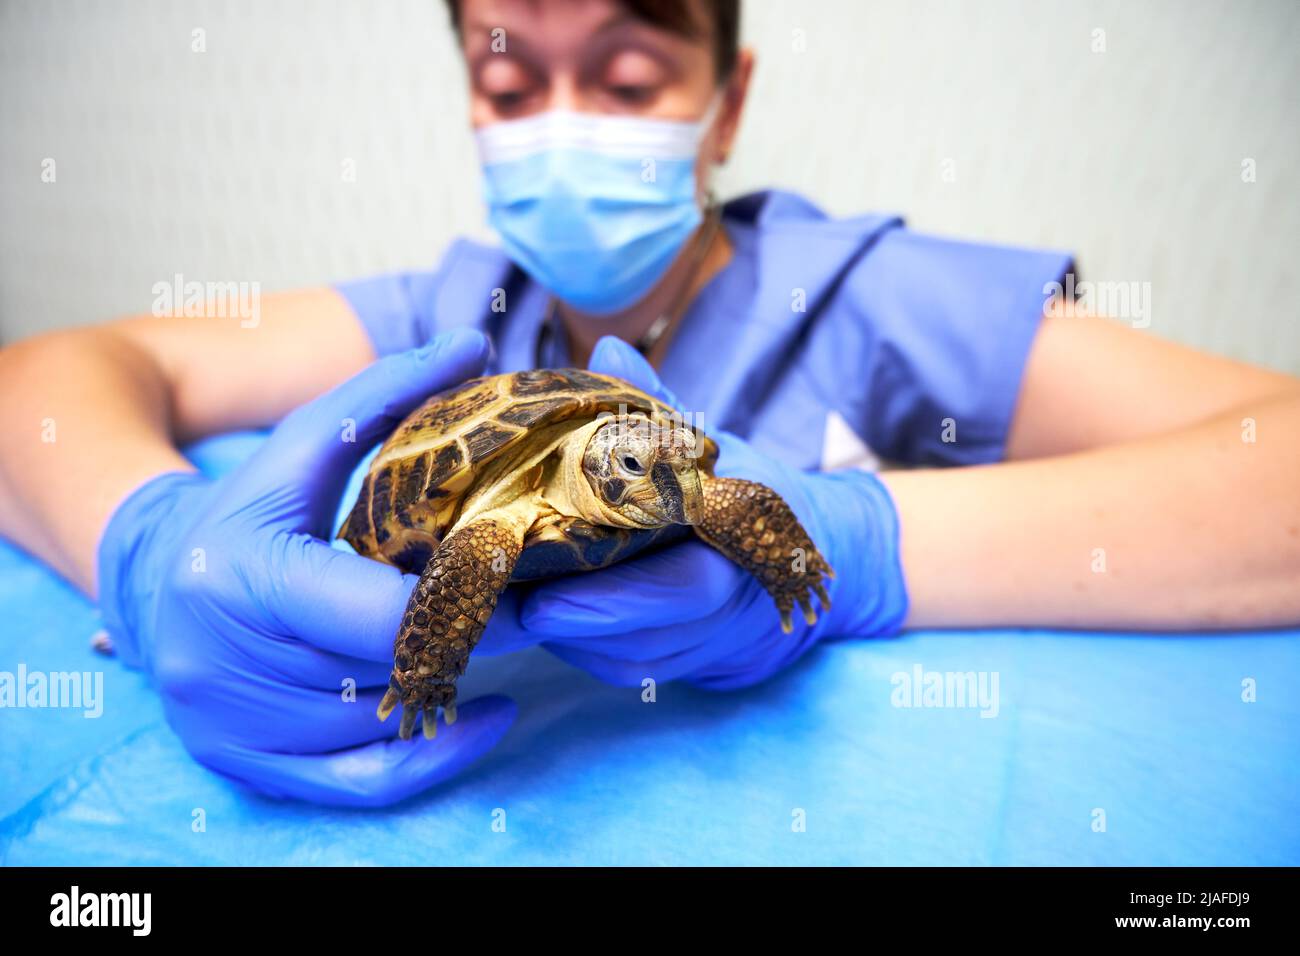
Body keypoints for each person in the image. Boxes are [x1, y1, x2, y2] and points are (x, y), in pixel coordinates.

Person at [0, 0, 1297, 807]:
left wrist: (846, 545)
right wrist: (147, 542)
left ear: (727, 104)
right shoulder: (452, 323)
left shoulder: (874, 294)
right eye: (512, 90)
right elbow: (36, 387)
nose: (564, 129)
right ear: (470, 100)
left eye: (627, 83)